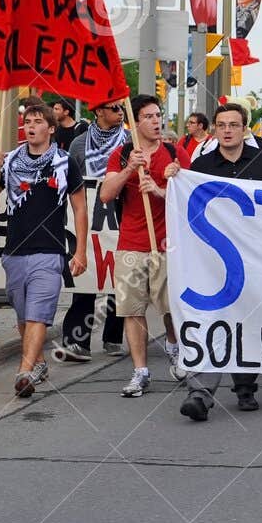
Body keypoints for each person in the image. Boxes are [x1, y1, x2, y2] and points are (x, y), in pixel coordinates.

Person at [181, 102, 262, 421]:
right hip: (212, 258)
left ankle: (245, 387)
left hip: (256, 255)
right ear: (213, 130)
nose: (227, 130)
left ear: (245, 129)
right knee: (211, 319)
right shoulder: (199, 167)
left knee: (247, 320)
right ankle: (199, 393)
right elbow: (185, 204)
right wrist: (172, 180)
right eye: (221, 125)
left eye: (234, 125)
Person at [0, 101, 86, 398]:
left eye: (38, 121)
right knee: (24, 318)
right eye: (28, 121)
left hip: (49, 251)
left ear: (51, 129)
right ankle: (37, 362)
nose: (31, 126)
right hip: (14, 251)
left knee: (38, 314)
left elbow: (79, 207)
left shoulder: (64, 162)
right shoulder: (10, 161)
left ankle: (23, 372)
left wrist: (82, 251)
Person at [100, 95, 177, 397]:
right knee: (132, 309)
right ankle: (140, 371)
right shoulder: (121, 154)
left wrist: (161, 188)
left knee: (171, 307)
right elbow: (106, 195)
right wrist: (129, 169)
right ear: (135, 123)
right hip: (131, 243)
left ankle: (174, 345)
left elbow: (189, 197)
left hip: (167, 244)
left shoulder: (173, 151)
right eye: (148, 116)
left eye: (158, 115)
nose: (156, 121)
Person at [54, 97, 128, 362]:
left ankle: (113, 337)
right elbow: (69, 179)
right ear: (98, 111)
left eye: (121, 108)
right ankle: (76, 341)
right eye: (114, 108)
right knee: (84, 279)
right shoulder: (79, 143)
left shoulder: (129, 142)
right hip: (87, 218)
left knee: (117, 277)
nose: (120, 113)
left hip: (120, 217)